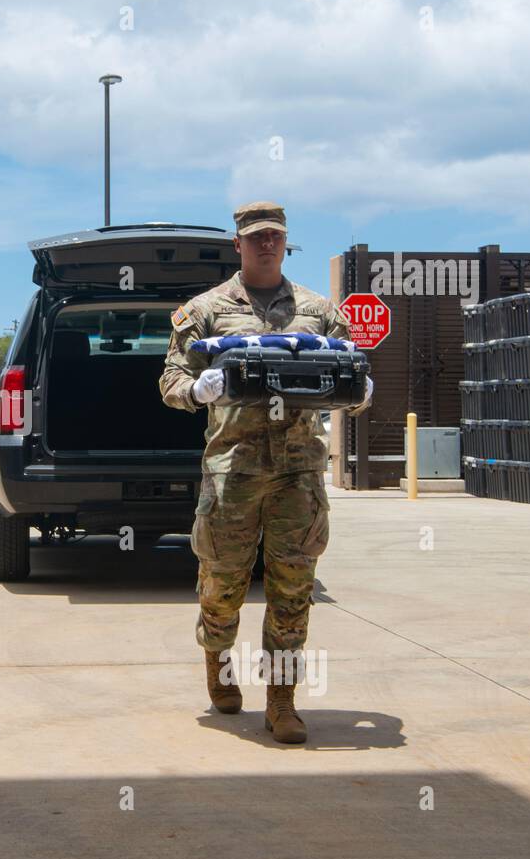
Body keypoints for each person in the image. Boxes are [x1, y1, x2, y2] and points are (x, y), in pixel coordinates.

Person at [158, 201, 373, 744]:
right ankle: (218, 660)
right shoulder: (205, 311)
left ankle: (282, 701)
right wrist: (198, 390)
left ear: (285, 241)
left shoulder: (319, 311)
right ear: (239, 244)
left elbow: (350, 374)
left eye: (275, 235)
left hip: (298, 472)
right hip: (233, 470)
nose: (266, 244)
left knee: (292, 588)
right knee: (223, 586)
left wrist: (360, 394)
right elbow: (171, 383)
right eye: (256, 237)